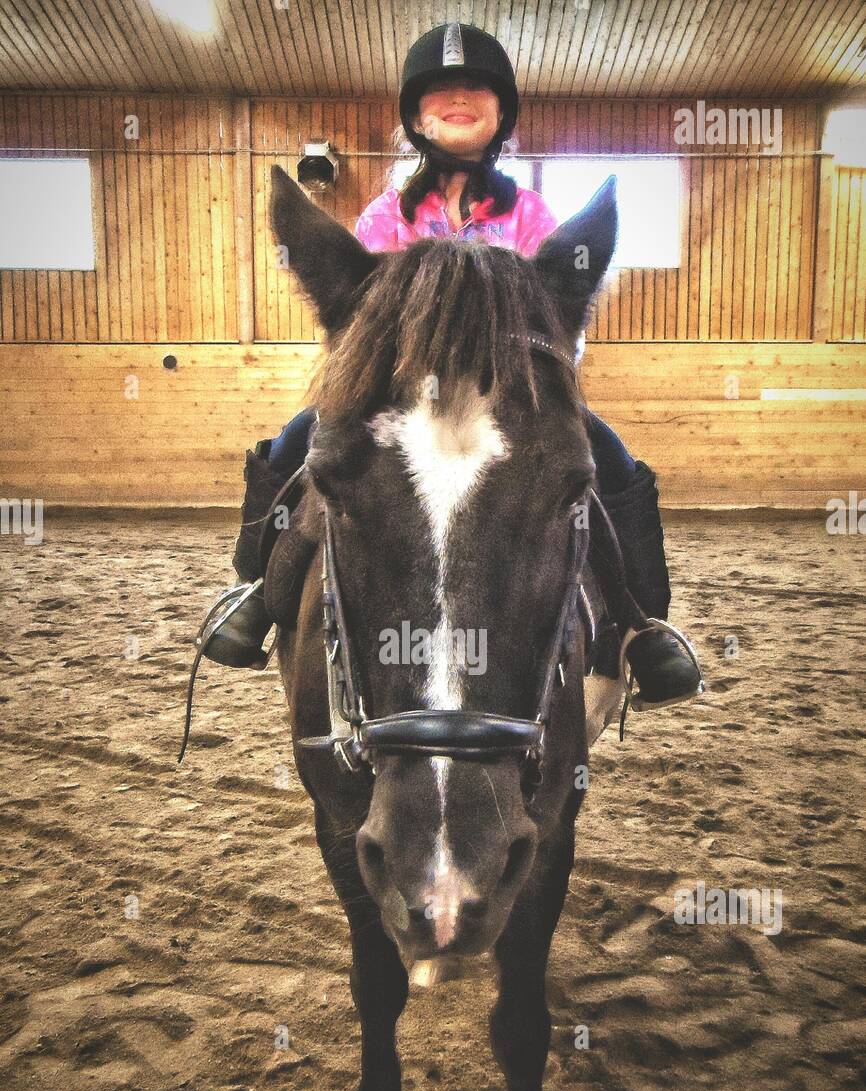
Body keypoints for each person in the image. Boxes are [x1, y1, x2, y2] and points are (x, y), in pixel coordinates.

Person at [200, 22, 702, 710]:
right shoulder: (384, 216)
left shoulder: (530, 214)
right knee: (292, 441)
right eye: (441, 92)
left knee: (610, 456)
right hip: (403, 393)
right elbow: (356, 321)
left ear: (501, 115)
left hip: (507, 393)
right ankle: (255, 591)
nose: (459, 99)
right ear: (414, 117)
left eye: (475, 89)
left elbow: (557, 317)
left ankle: (645, 627)